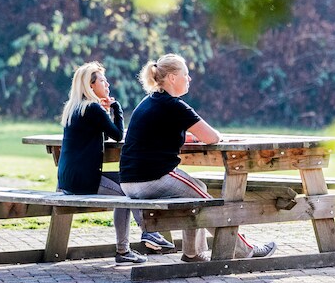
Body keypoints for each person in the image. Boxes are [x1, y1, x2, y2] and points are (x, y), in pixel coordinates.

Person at [119, 54, 276, 262]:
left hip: (129, 182)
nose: (189, 78)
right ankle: (243, 250)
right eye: (186, 74)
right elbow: (212, 137)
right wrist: (218, 137)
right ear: (173, 78)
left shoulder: (149, 102)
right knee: (202, 194)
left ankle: (193, 252)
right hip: (150, 180)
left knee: (195, 190)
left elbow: (161, 134)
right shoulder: (174, 106)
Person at [58, 62, 176, 265]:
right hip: (83, 180)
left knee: (127, 182)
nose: (107, 84)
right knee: (128, 192)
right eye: (102, 81)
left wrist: (105, 113)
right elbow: (117, 134)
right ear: (90, 85)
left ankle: (129, 247)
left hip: (68, 179)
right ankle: (146, 234)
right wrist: (115, 108)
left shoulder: (74, 108)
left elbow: (100, 137)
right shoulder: (93, 108)